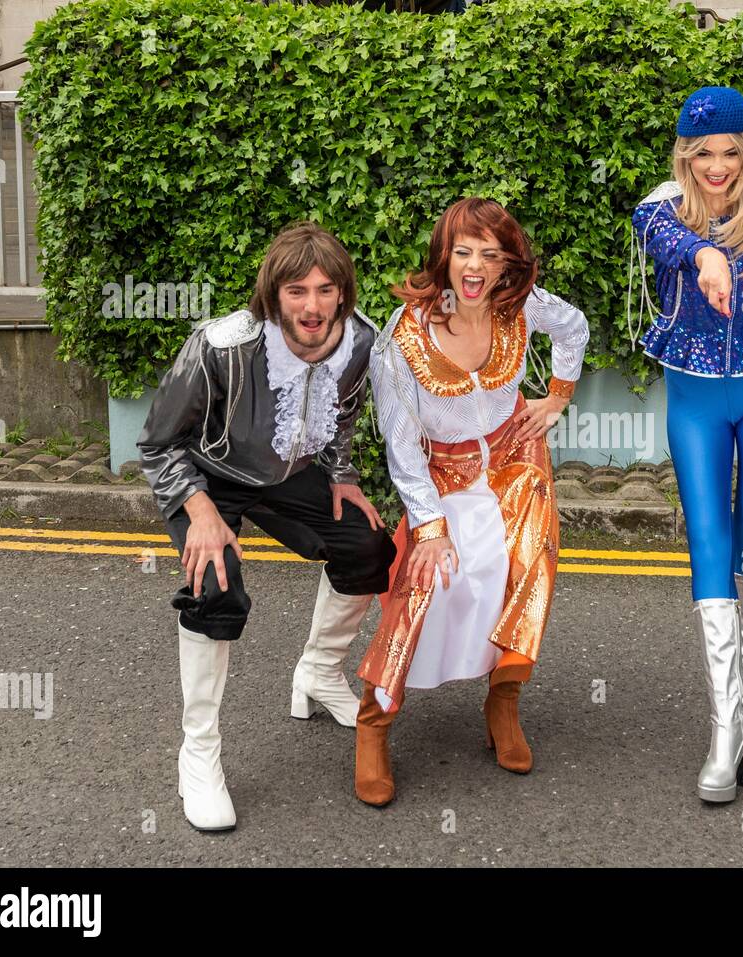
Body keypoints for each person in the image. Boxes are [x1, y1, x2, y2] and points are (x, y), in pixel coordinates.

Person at [138, 221, 391, 831]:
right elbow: (157, 444)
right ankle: (199, 753)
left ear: (344, 293)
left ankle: (319, 671)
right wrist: (197, 509)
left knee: (370, 548)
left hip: (290, 471)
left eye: (326, 290)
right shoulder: (220, 345)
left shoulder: (361, 341)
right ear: (273, 294)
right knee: (216, 584)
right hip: (207, 473)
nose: (312, 306)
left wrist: (341, 473)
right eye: (297, 290)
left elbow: (344, 415)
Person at [353, 197, 589, 807]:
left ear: (509, 264)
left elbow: (573, 326)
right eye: (463, 252)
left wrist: (557, 396)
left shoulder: (521, 305)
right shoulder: (401, 342)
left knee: (527, 569)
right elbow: (402, 448)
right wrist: (429, 526)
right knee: (427, 586)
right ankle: (373, 722)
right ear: (443, 258)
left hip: (516, 462)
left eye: (491, 253)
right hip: (442, 479)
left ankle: (503, 704)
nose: (476, 266)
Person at [629, 86, 743, 802]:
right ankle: (724, 726)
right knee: (708, 540)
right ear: (685, 155)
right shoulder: (658, 210)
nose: (718, 166)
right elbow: (663, 240)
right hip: (695, 397)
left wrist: (731, 255)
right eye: (704, 153)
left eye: (732, 152)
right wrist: (705, 253)